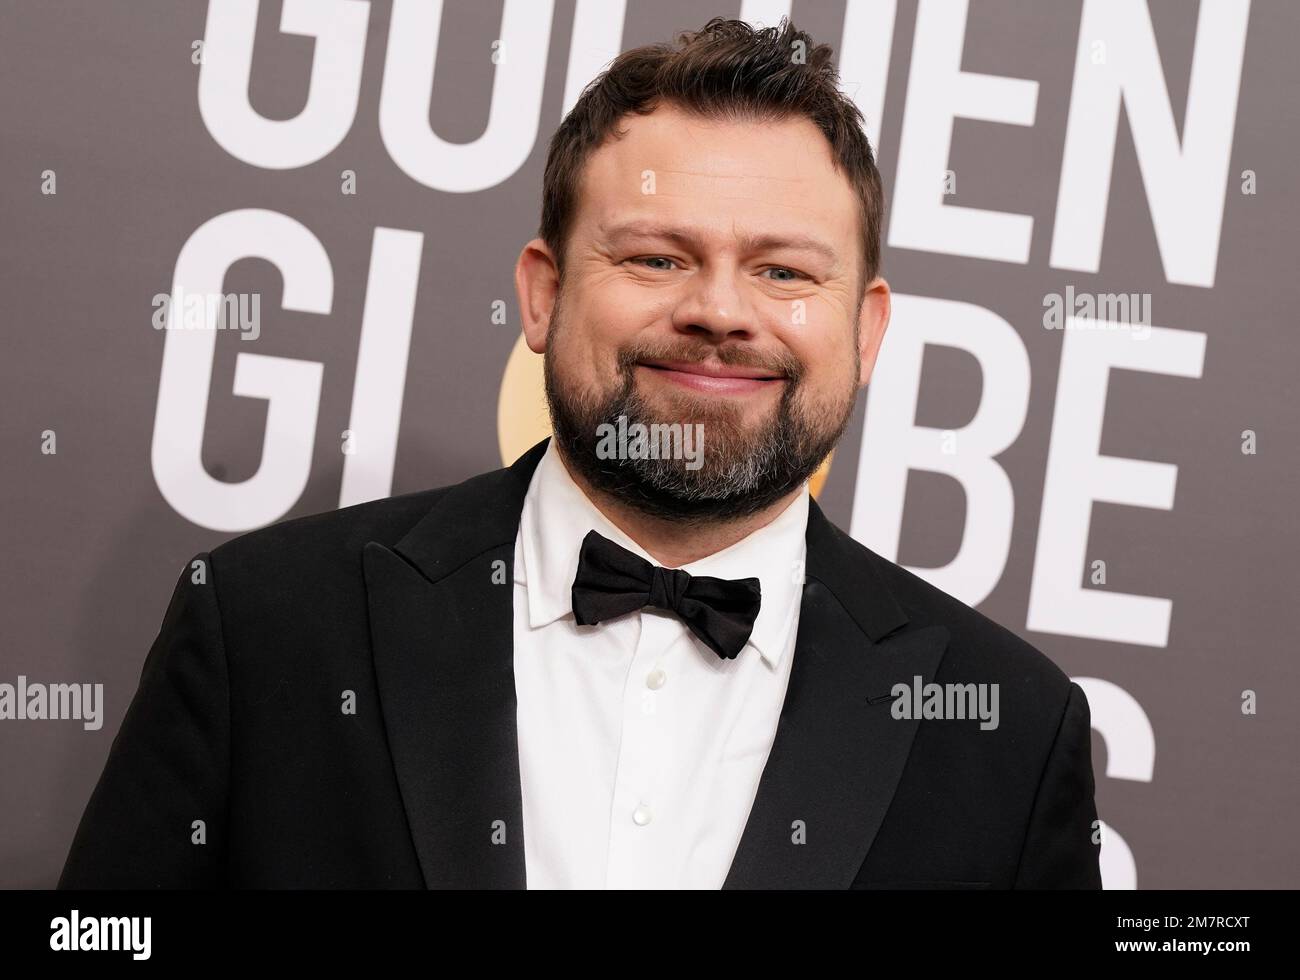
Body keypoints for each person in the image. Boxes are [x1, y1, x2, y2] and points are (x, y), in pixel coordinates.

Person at [60, 16, 1102, 889]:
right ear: (543, 292)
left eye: (784, 271)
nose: (718, 311)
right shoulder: (265, 624)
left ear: (866, 329)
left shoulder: (1007, 730)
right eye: (657, 256)